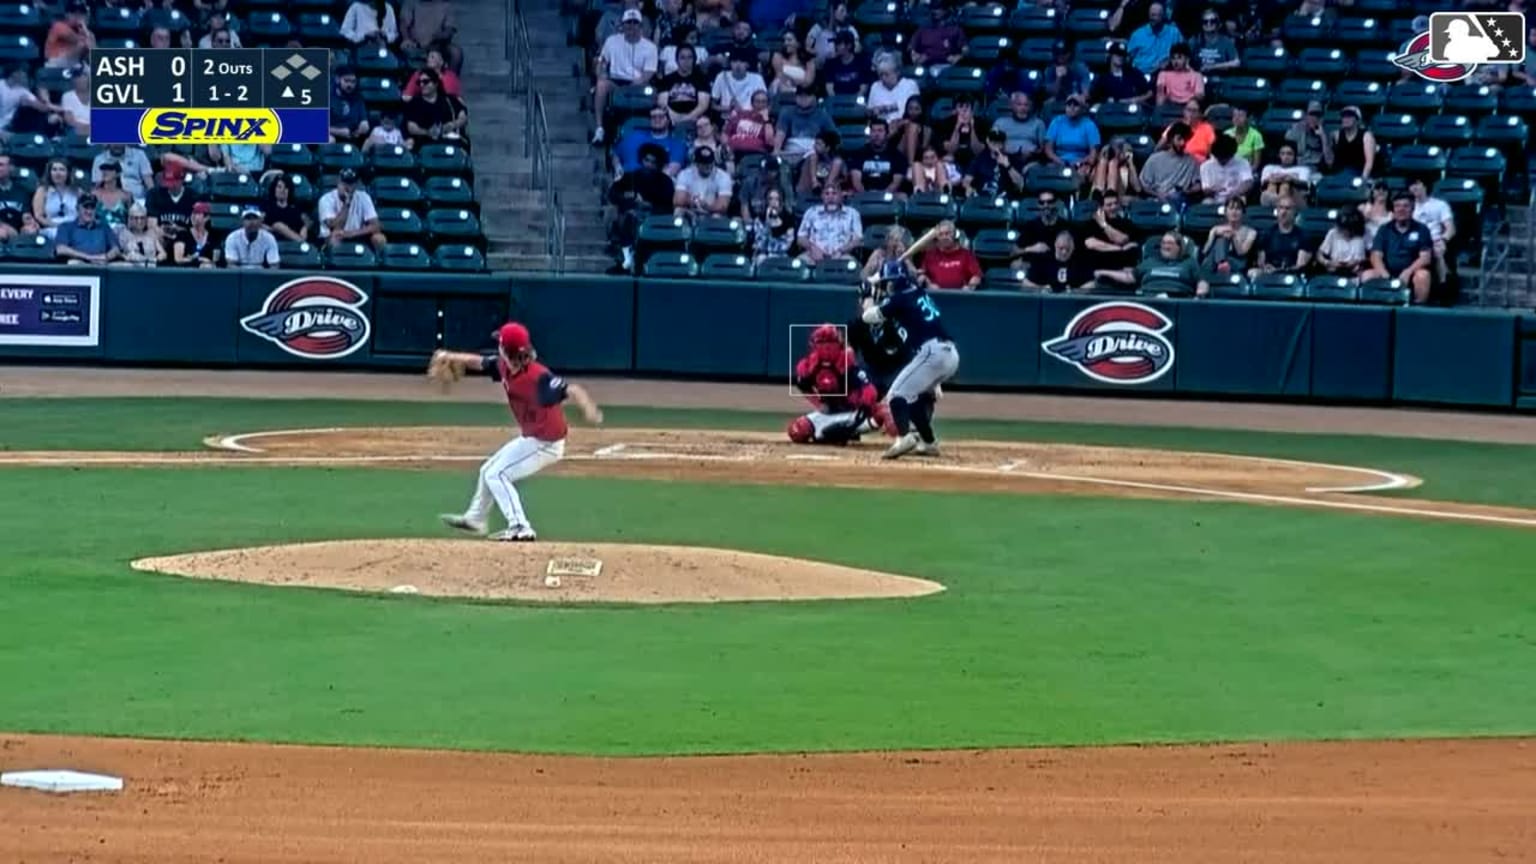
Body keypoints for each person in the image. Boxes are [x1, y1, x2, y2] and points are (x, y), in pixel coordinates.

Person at [436, 322, 605, 542]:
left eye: (500, 343)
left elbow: (571, 389)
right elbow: (478, 362)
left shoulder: (538, 378)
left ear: (506, 351)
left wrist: (589, 408)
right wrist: (450, 356)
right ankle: (475, 519)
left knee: (497, 474)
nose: (497, 347)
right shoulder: (504, 366)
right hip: (532, 439)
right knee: (488, 469)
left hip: (546, 444)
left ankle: (520, 526)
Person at [860, 244, 960, 459]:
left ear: (893, 282)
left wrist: (868, 295)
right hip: (949, 354)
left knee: (896, 395)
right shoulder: (915, 291)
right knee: (913, 397)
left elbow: (869, 317)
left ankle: (904, 437)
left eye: (887, 284)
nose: (885, 287)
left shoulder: (900, 298)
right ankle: (929, 442)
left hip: (933, 352)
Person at [785, 324, 893, 445]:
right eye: (823, 343)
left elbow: (870, 392)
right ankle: (842, 431)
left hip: (852, 412)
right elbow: (803, 385)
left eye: (830, 343)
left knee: (881, 413)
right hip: (830, 412)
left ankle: (906, 430)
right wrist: (820, 404)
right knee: (797, 430)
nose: (827, 348)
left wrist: (861, 411)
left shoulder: (846, 362)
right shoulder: (810, 365)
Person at [1360, 191, 1434, 303]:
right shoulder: (1384, 229)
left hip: (1411, 272)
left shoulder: (1422, 229)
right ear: (1393, 209)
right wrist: (1383, 273)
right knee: (1367, 275)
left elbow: (1425, 257)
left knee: (1423, 275)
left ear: (1412, 209)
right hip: (1387, 271)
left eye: (1406, 206)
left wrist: (1408, 272)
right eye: (1397, 206)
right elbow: (1376, 255)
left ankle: (1418, 310)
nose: (1401, 209)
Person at [1250, 197, 1312, 277]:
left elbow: (1300, 265)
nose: (1283, 212)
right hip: (1269, 273)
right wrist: (1265, 267)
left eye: (1287, 208)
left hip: (1292, 275)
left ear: (1294, 212)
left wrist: (1280, 271)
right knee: (1252, 273)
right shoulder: (1267, 233)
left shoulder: (1303, 236)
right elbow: (1261, 262)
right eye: (1281, 208)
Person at [53, 194, 121, 266]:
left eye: (92, 208)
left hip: (102, 264)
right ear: (77, 209)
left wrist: (105, 257)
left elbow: (116, 250)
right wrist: (88, 257)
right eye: (86, 208)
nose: (89, 211)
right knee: (73, 263)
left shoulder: (104, 227)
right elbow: (60, 249)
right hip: (79, 265)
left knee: (125, 266)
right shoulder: (66, 227)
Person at [1022, 231, 1096, 293]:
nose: (1064, 252)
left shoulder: (1081, 262)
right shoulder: (1042, 260)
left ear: (1073, 247)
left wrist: (1075, 292)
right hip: (1045, 302)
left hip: (1073, 303)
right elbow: (1026, 283)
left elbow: (1091, 284)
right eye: (1061, 248)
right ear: (1055, 245)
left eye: (1068, 249)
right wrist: (1041, 289)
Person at [917, 221, 982, 292]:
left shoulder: (966, 255)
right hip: (936, 296)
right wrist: (928, 284)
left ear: (954, 234)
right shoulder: (930, 255)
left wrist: (970, 287)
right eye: (941, 234)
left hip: (960, 296)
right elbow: (921, 274)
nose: (944, 237)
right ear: (937, 237)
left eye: (947, 233)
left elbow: (977, 276)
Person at [1201, 197, 1256, 275]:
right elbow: (1205, 251)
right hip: (1215, 261)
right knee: (1219, 242)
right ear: (1226, 212)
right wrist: (1213, 235)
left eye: (1238, 209)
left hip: (1237, 262)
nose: (1234, 212)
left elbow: (1241, 252)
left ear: (1243, 212)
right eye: (1231, 208)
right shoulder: (1217, 229)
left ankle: (1217, 267)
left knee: (1222, 239)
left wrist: (1234, 236)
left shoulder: (1251, 232)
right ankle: (1222, 263)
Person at [1316, 209, 1367, 277]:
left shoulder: (1363, 235)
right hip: (1334, 271)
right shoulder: (1333, 233)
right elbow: (1320, 254)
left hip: (1356, 273)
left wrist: (1359, 262)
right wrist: (1328, 263)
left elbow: (1371, 256)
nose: (1345, 231)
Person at [116, 203, 165, 267]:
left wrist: (155, 260)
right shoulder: (123, 234)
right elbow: (117, 252)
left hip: (150, 268)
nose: (139, 221)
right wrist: (126, 257)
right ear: (130, 219)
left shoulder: (152, 234)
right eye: (136, 218)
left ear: (146, 219)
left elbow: (163, 254)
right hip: (130, 269)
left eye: (142, 218)